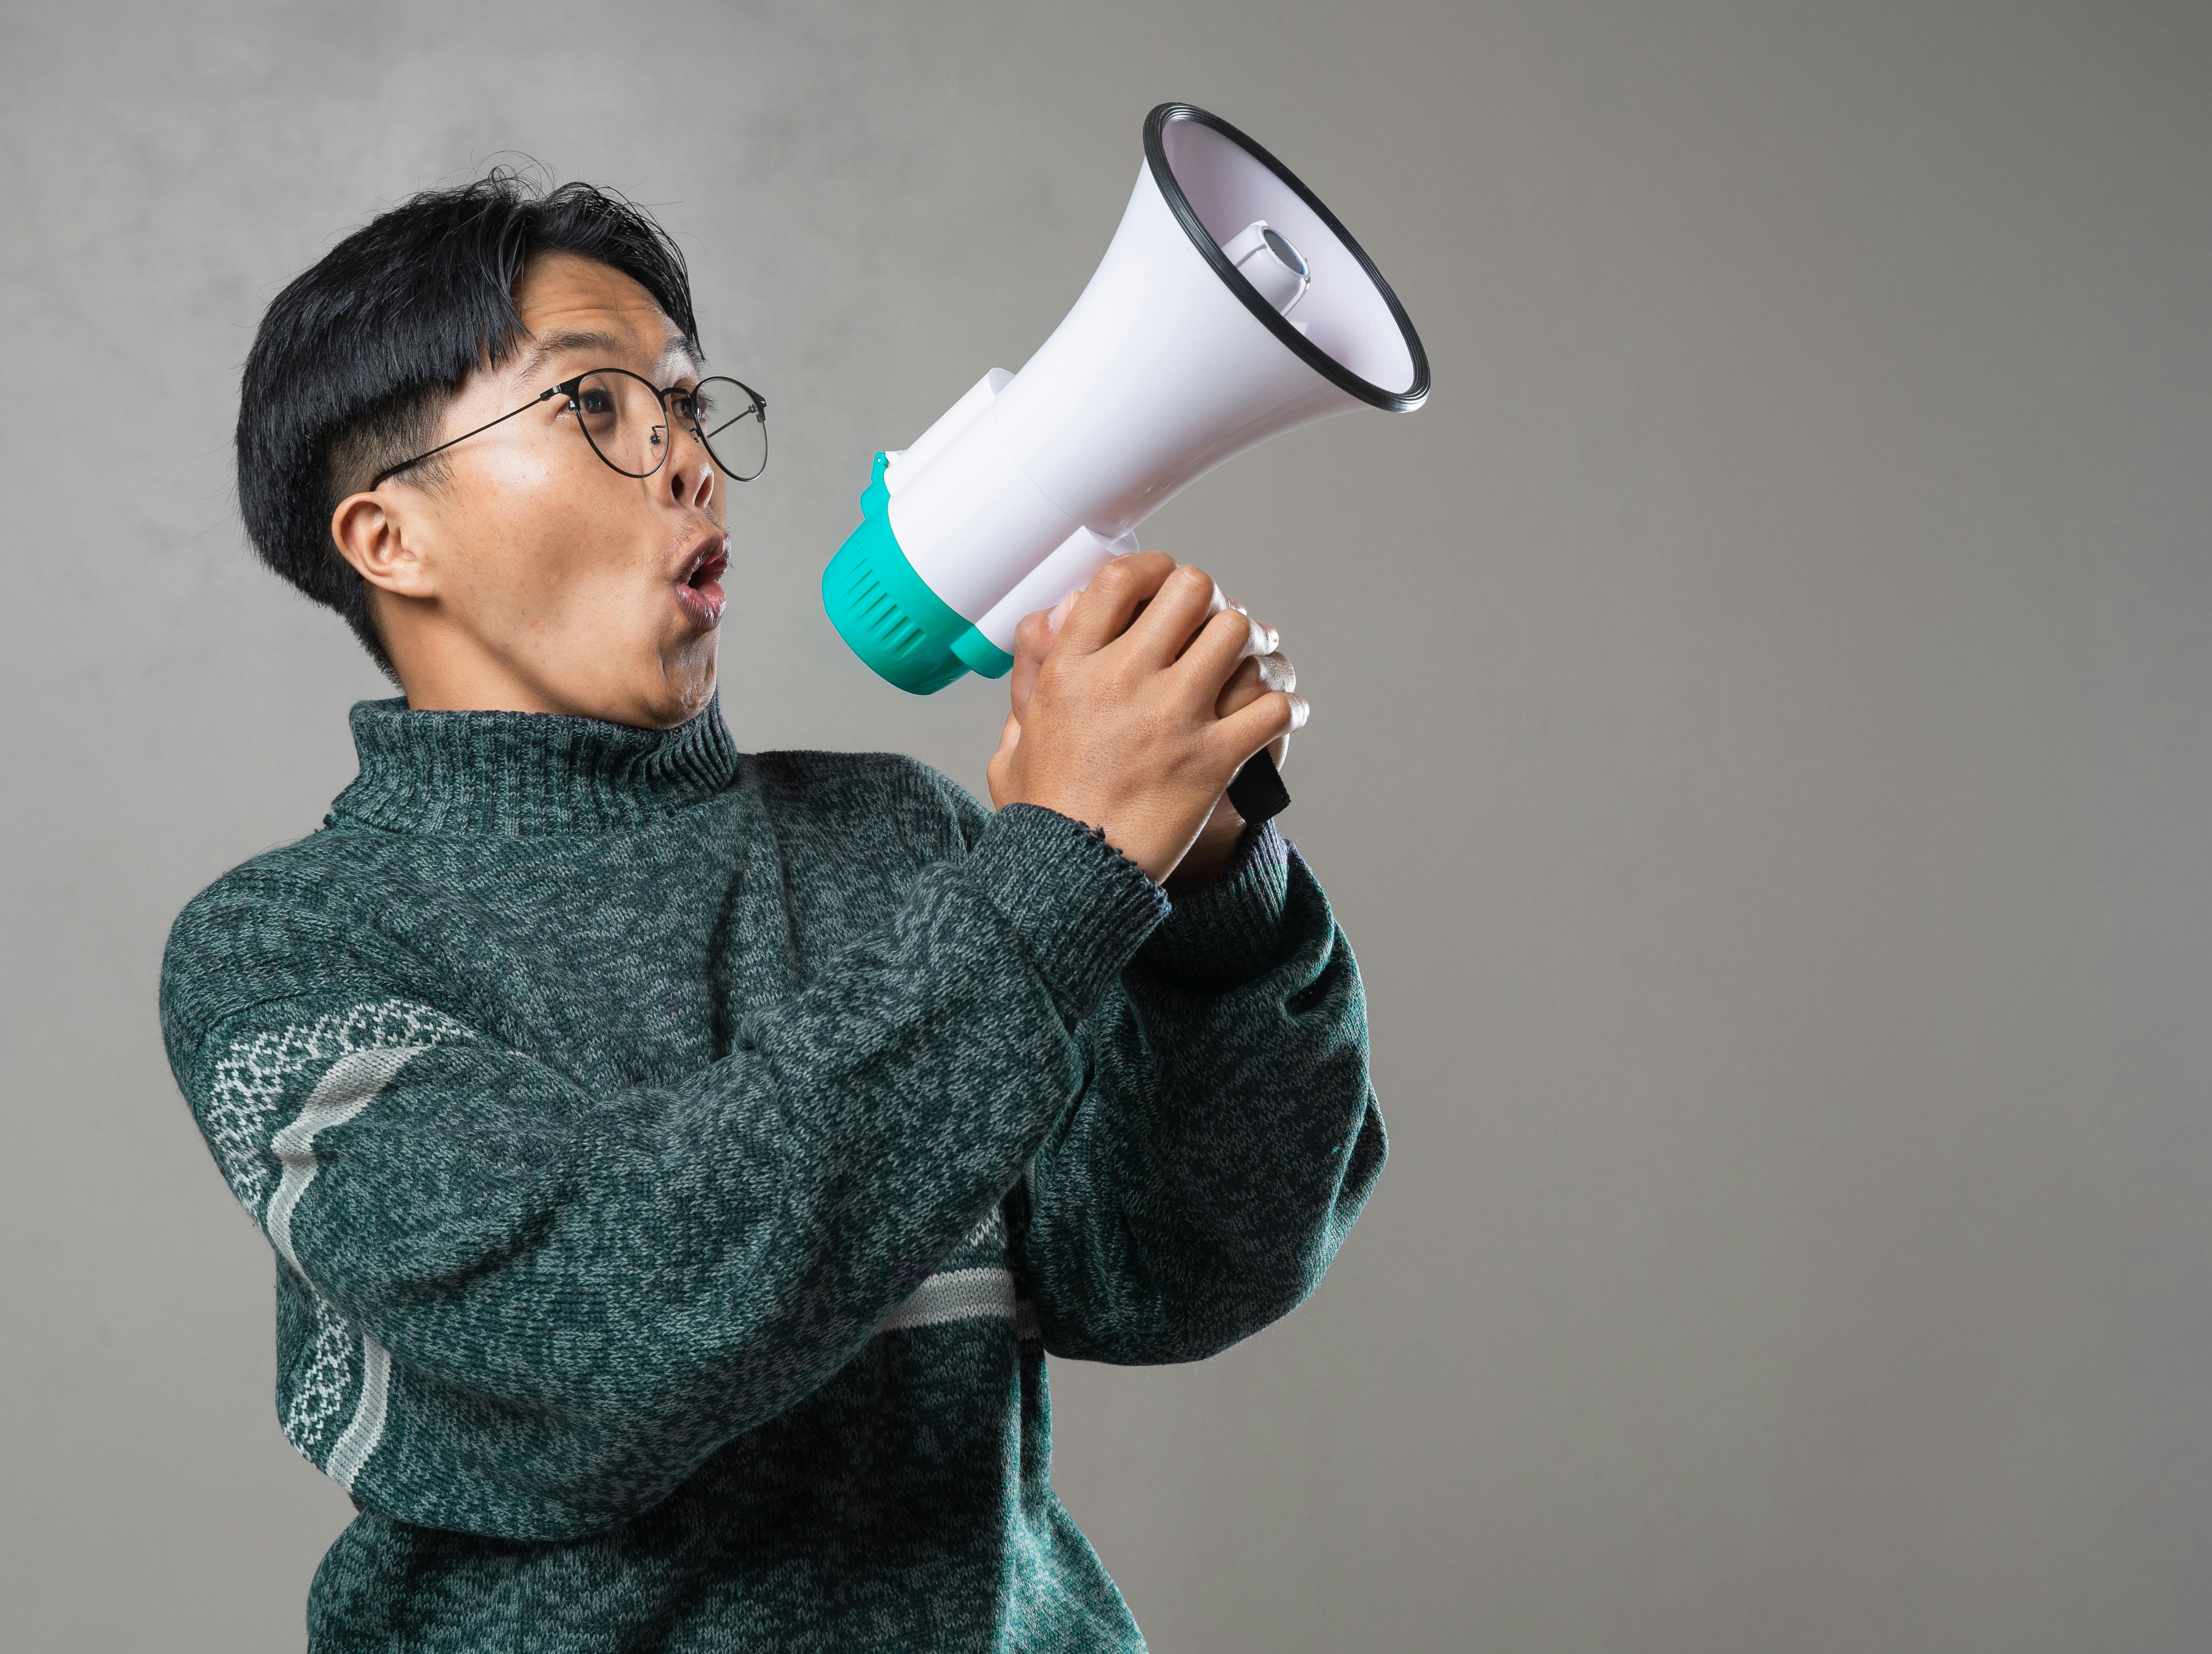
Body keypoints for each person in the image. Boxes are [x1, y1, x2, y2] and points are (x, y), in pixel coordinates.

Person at [159, 169, 1385, 1652]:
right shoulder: (286, 951)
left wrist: (1205, 895)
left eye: (686, 402)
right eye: (594, 408)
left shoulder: (900, 835)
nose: (685, 459)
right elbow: (607, 1327)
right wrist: (1060, 868)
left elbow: (1172, 1279)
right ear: (389, 540)